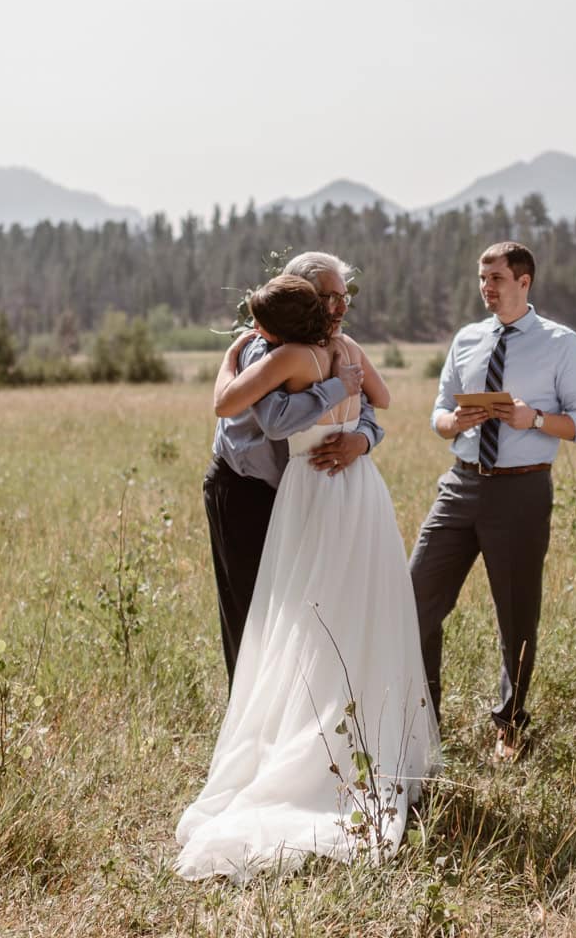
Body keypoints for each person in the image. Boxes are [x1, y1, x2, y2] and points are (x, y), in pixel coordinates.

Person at [177, 276, 440, 881]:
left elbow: (252, 412)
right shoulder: (345, 352)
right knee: (351, 609)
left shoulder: (289, 355)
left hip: (311, 487)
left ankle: (295, 739)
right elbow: (383, 397)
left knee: (299, 613)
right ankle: (356, 735)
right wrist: (342, 388)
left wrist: (232, 361)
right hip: (359, 496)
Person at [410, 241, 576, 762]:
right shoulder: (467, 339)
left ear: (524, 282)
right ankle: (424, 722)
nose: (486, 288)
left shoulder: (561, 343)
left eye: (496, 278)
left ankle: (510, 726)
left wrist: (532, 419)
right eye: (481, 278)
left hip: (521, 489)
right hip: (461, 483)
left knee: (516, 616)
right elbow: (439, 412)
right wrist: (454, 422)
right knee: (414, 601)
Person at [202, 251, 382, 686]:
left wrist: (362, 440)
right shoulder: (264, 349)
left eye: (345, 297)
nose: (339, 307)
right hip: (248, 489)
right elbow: (276, 418)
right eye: (329, 297)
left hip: (304, 495)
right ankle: (248, 726)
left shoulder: (336, 349)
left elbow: (372, 409)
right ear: (302, 298)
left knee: (306, 610)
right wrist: (337, 387)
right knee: (251, 614)